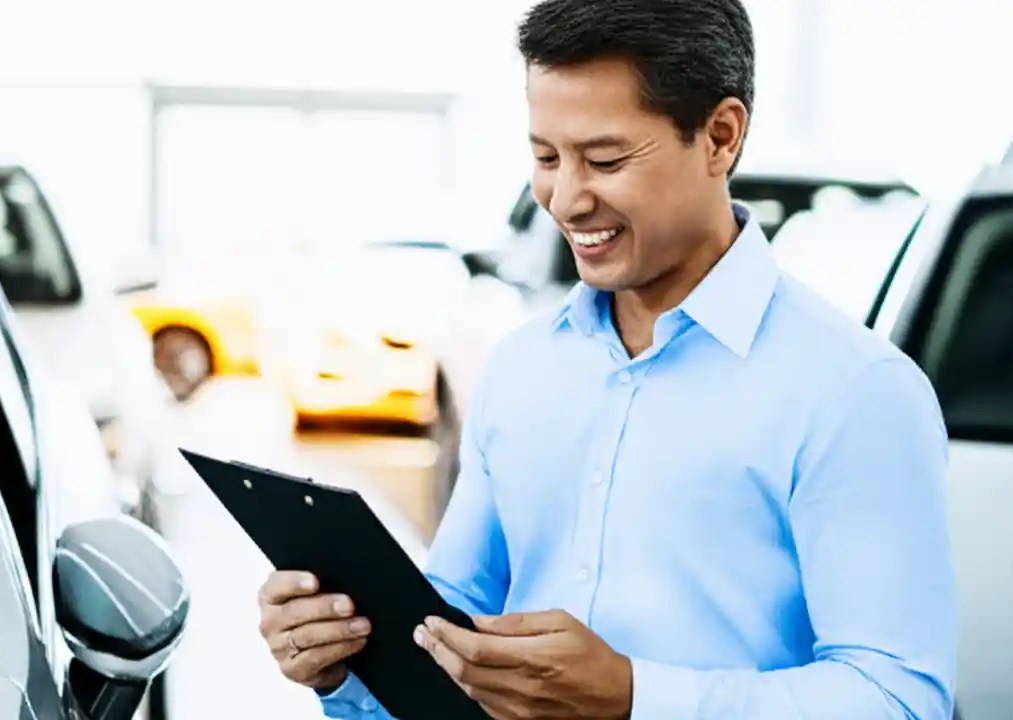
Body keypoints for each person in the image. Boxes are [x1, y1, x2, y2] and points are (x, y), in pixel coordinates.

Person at [256, 0, 958, 717]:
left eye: (604, 160)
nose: (565, 198)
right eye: (544, 156)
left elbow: (897, 699)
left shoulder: (855, 391)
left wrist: (634, 697)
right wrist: (344, 661)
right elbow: (450, 632)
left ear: (720, 137)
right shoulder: (522, 369)